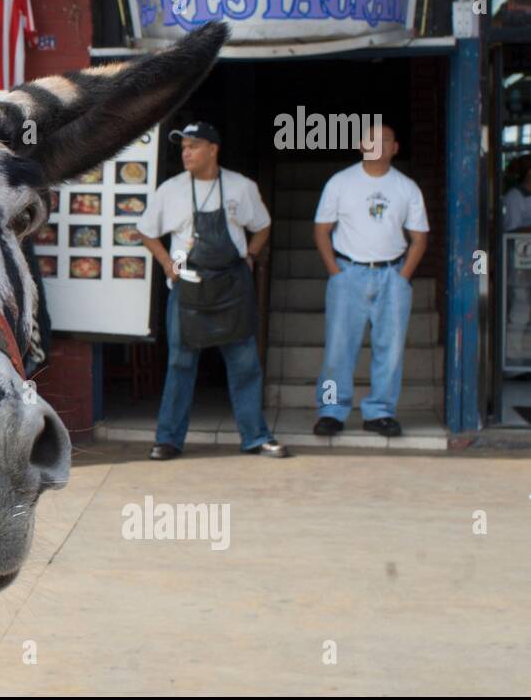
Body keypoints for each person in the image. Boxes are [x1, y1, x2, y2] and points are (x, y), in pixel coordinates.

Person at [135, 122, 288, 460]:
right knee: (180, 363)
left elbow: (262, 226)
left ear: (213, 149)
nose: (186, 152)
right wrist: (165, 262)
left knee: (245, 363)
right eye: (183, 147)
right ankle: (168, 439)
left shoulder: (240, 186)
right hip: (187, 288)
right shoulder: (170, 189)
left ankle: (256, 437)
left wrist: (249, 256)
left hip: (232, 287)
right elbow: (147, 231)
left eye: (193, 146)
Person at [312, 123, 428, 437]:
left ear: (395, 148)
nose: (377, 144)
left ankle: (380, 412)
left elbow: (419, 238)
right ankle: (332, 411)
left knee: (389, 350)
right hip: (348, 273)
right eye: (371, 139)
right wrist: (335, 271)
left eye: (385, 139)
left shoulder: (406, 188)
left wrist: (403, 277)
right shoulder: (341, 182)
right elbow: (321, 230)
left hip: (392, 275)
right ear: (361, 145)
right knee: (338, 350)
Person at [502, 156, 531, 360]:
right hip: (521, 261)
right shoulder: (515, 196)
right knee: (520, 310)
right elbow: (510, 231)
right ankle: (514, 360)